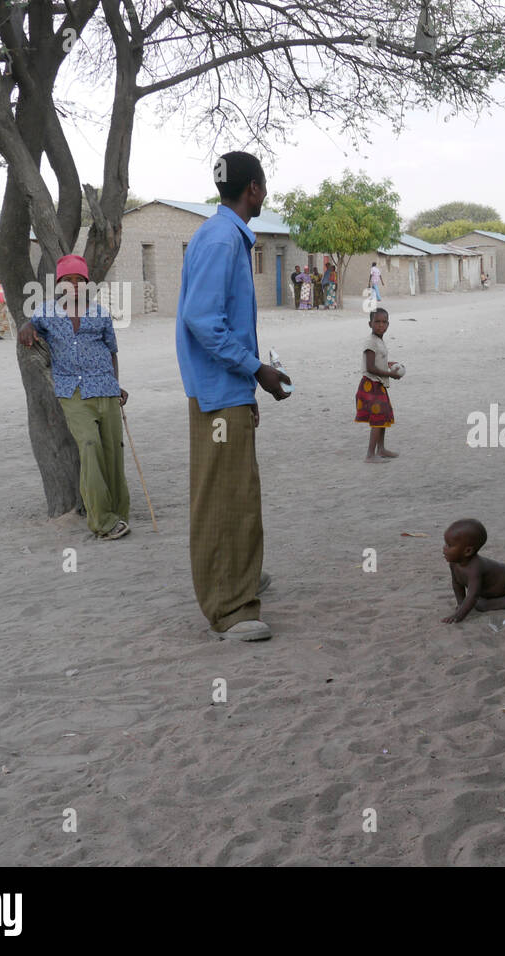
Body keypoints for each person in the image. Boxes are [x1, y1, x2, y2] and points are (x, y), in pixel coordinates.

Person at [175, 151, 292, 642]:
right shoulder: (223, 239)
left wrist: (250, 386)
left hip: (227, 391)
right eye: (263, 186)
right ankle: (229, 608)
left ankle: (239, 578)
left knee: (238, 493)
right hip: (220, 392)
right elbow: (203, 322)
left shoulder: (221, 235)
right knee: (226, 500)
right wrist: (257, 370)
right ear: (255, 189)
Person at [17, 254, 130, 540]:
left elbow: (112, 352)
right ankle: (102, 522)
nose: (74, 286)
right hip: (73, 392)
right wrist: (25, 327)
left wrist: (116, 385)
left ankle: (118, 512)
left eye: (80, 281)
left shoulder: (100, 314)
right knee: (90, 446)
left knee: (113, 451)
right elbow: (27, 326)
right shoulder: (46, 313)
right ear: (59, 285)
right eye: (68, 281)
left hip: (105, 388)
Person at [356, 307, 404, 462]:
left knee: (383, 416)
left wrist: (389, 363)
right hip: (371, 385)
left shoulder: (379, 340)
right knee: (378, 419)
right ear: (370, 324)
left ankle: (381, 449)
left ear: (388, 325)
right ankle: (370, 454)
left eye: (384, 322)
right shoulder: (370, 342)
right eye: (377, 322)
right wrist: (391, 374)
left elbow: (379, 360)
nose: (380, 325)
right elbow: (370, 367)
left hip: (379, 384)